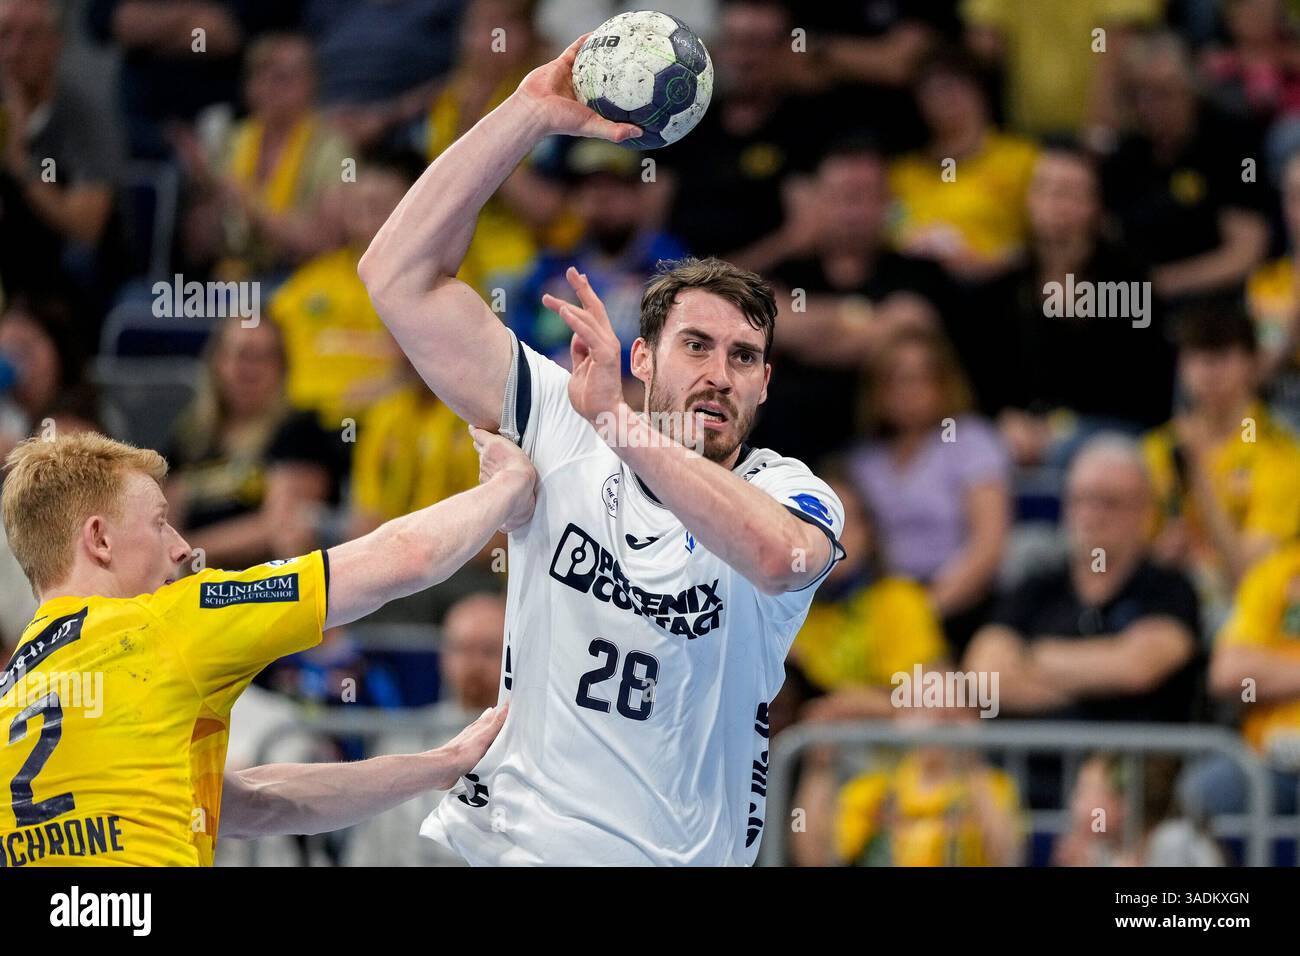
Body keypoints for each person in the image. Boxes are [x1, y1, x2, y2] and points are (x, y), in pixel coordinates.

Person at [358, 34, 847, 865]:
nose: (721, 374)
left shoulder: (789, 490)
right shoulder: (559, 418)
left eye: (744, 357)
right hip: (514, 847)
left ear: (766, 383)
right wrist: (527, 114)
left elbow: (777, 560)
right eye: (697, 346)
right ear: (645, 356)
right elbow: (398, 276)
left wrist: (619, 424)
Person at [0, 420, 536, 867]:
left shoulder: (13, 688)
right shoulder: (161, 623)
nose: (182, 547)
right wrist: (507, 488)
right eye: (161, 524)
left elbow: (257, 806)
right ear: (99, 539)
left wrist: (439, 764)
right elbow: (403, 557)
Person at [964, 435, 1202, 724]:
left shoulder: (1168, 589)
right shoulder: (1037, 585)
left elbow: (1136, 668)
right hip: (1028, 766)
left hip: (1126, 764)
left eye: (1109, 502)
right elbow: (984, 674)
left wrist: (1033, 656)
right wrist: (1089, 693)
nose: (1091, 516)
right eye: (1081, 500)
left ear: (1145, 511)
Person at [848, 328, 1012, 657]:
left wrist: (927, 608)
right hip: (882, 602)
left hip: (962, 602)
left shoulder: (971, 440)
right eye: (895, 379)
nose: (908, 391)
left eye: (920, 378)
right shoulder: (863, 461)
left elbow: (989, 545)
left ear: (944, 383)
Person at [1143, 303, 1300, 626]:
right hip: (1163, 598)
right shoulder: (1158, 448)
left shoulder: (1281, 454)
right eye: (1197, 357)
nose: (1207, 371)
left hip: (1239, 607)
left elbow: (1247, 577)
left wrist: (1199, 479)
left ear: (1253, 365)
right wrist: (1157, 555)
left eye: (1221, 357)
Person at [344, 591, 507, 866]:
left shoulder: (534, 742)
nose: (473, 665)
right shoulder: (404, 740)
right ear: (443, 656)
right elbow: (368, 848)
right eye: (461, 649)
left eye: (489, 651)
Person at [1178, 540, 1300, 825]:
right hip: (1271, 763)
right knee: (1200, 794)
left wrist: (1273, 671)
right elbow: (1229, 674)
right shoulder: (1278, 573)